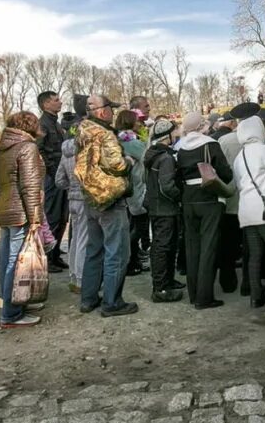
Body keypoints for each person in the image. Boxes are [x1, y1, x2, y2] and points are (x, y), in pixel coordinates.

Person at [76, 96, 138, 317]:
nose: (113, 112)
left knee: (94, 250)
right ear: (102, 112)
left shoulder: (82, 132)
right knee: (117, 252)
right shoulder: (105, 134)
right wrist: (129, 161)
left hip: (91, 197)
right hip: (110, 198)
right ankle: (112, 303)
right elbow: (116, 164)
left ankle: (88, 298)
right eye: (111, 108)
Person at [0, 111, 46, 328]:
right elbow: (30, 185)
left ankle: (17, 300)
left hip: (5, 208)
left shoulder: (2, 147)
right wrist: (35, 218)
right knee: (17, 262)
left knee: (7, 259)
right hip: (20, 211)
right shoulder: (27, 147)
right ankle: (11, 313)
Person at [175, 112, 233, 309]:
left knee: (192, 247)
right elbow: (226, 173)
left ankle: (193, 294)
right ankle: (204, 297)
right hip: (209, 198)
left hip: (188, 200)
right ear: (202, 125)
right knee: (208, 248)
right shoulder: (210, 144)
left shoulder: (179, 147)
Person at [232, 114, 265, 311]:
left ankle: (256, 296)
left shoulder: (240, 156)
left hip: (246, 209)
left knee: (255, 254)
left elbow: (238, 184)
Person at [216, 102, 260, 295]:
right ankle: (250, 283)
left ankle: (227, 281)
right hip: (253, 201)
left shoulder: (224, 141)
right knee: (252, 245)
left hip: (230, 198)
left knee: (228, 243)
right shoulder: (262, 143)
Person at [143, 120, 185, 302]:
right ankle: (160, 289)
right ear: (167, 135)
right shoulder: (166, 158)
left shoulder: (153, 154)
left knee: (165, 246)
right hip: (165, 209)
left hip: (157, 206)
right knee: (163, 247)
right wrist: (180, 196)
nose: (177, 134)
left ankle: (167, 281)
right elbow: (167, 186)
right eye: (174, 132)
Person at [36, 91, 69, 272]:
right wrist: (51, 170)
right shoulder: (43, 124)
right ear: (46, 104)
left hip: (60, 175)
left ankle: (55, 255)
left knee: (63, 217)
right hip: (51, 177)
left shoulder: (55, 123)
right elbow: (39, 150)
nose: (60, 102)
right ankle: (47, 258)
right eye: (56, 100)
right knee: (52, 217)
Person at [116, 110, 150, 277]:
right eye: (137, 120)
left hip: (128, 189)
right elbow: (147, 157)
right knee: (138, 228)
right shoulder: (132, 142)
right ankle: (130, 262)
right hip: (137, 189)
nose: (140, 123)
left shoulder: (119, 140)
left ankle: (133, 261)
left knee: (132, 226)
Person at [55, 123, 88, 294]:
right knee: (83, 239)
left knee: (75, 239)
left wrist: (70, 188)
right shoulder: (83, 152)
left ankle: (73, 276)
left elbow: (59, 180)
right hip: (84, 199)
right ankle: (81, 279)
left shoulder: (65, 153)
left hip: (71, 199)